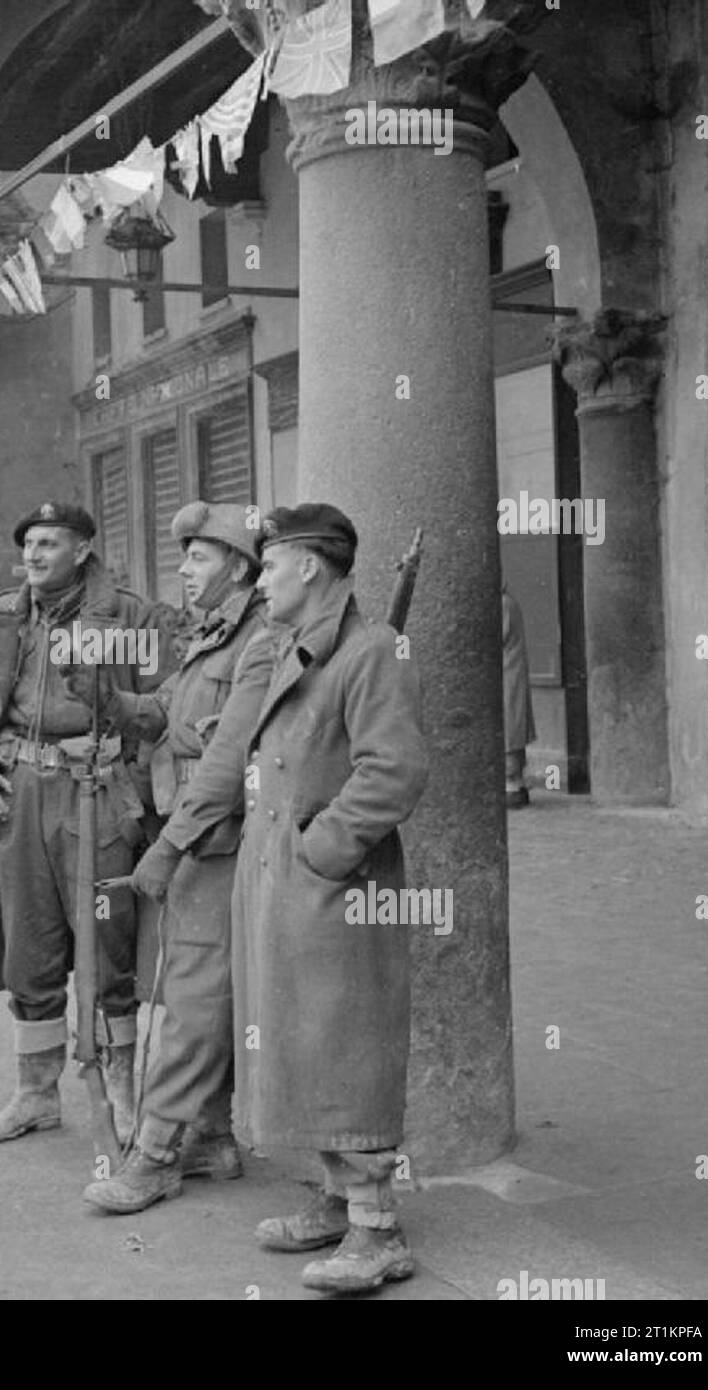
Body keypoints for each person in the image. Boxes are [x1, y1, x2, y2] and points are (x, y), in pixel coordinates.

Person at [230, 503, 428, 1294]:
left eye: (271, 565)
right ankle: (336, 1198)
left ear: (310, 566)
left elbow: (395, 772)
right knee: (301, 1038)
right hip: (285, 880)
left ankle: (379, 1230)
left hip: (335, 886)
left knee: (346, 1041)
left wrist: (322, 849)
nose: (262, 579)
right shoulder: (294, 648)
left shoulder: (373, 648)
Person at [0, 501, 171, 1146]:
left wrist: (126, 745)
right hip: (15, 797)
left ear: (82, 550)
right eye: (30, 543)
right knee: (27, 948)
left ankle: (122, 1094)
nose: (36, 555)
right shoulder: (1, 616)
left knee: (108, 947)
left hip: (95, 795)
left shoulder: (130, 617)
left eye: (51, 542)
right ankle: (35, 1093)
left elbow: (164, 709)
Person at [79, 501, 274, 1213]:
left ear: (240, 566)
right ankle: (214, 1137)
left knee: (191, 999)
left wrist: (166, 847)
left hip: (220, 838)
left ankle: (156, 1153)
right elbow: (165, 710)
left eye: (199, 557)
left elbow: (224, 762)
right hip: (201, 835)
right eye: (185, 556)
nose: (184, 570)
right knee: (200, 990)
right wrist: (107, 696)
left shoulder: (261, 641)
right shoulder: (214, 636)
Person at [502, 580, 536, 808]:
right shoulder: (508, 602)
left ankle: (512, 785)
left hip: (506, 673)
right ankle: (516, 784)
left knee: (509, 729)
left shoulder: (503, 604)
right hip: (509, 672)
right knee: (512, 727)